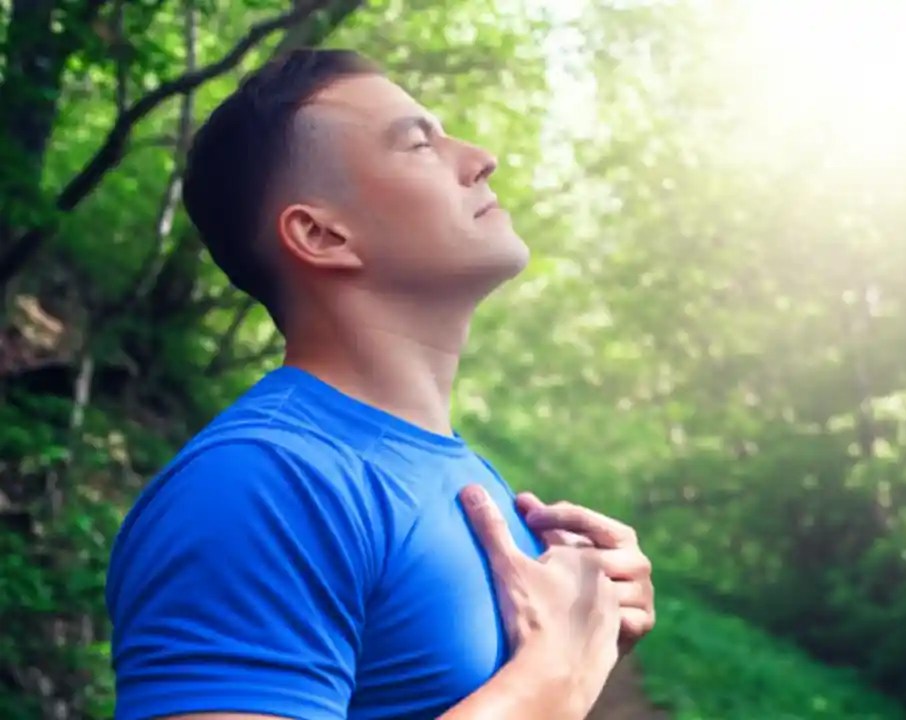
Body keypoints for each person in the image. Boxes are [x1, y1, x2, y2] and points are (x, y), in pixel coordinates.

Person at [105, 48, 655, 720]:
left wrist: (595, 634)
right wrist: (553, 681)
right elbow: (542, 692)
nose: (481, 157)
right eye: (420, 142)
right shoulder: (263, 484)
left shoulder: (456, 469)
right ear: (321, 235)